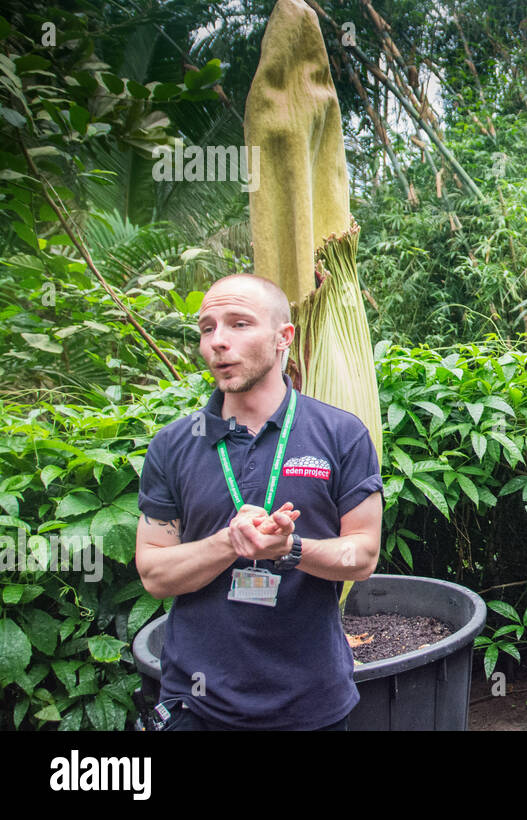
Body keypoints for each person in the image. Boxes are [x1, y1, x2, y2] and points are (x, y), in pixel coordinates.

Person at [135, 273, 383, 730]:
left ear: (282, 338)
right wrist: (230, 542)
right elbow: (154, 573)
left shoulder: (341, 435)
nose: (218, 342)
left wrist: (289, 550)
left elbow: (362, 555)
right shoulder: (172, 445)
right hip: (197, 707)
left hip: (312, 707)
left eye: (239, 324)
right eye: (208, 328)